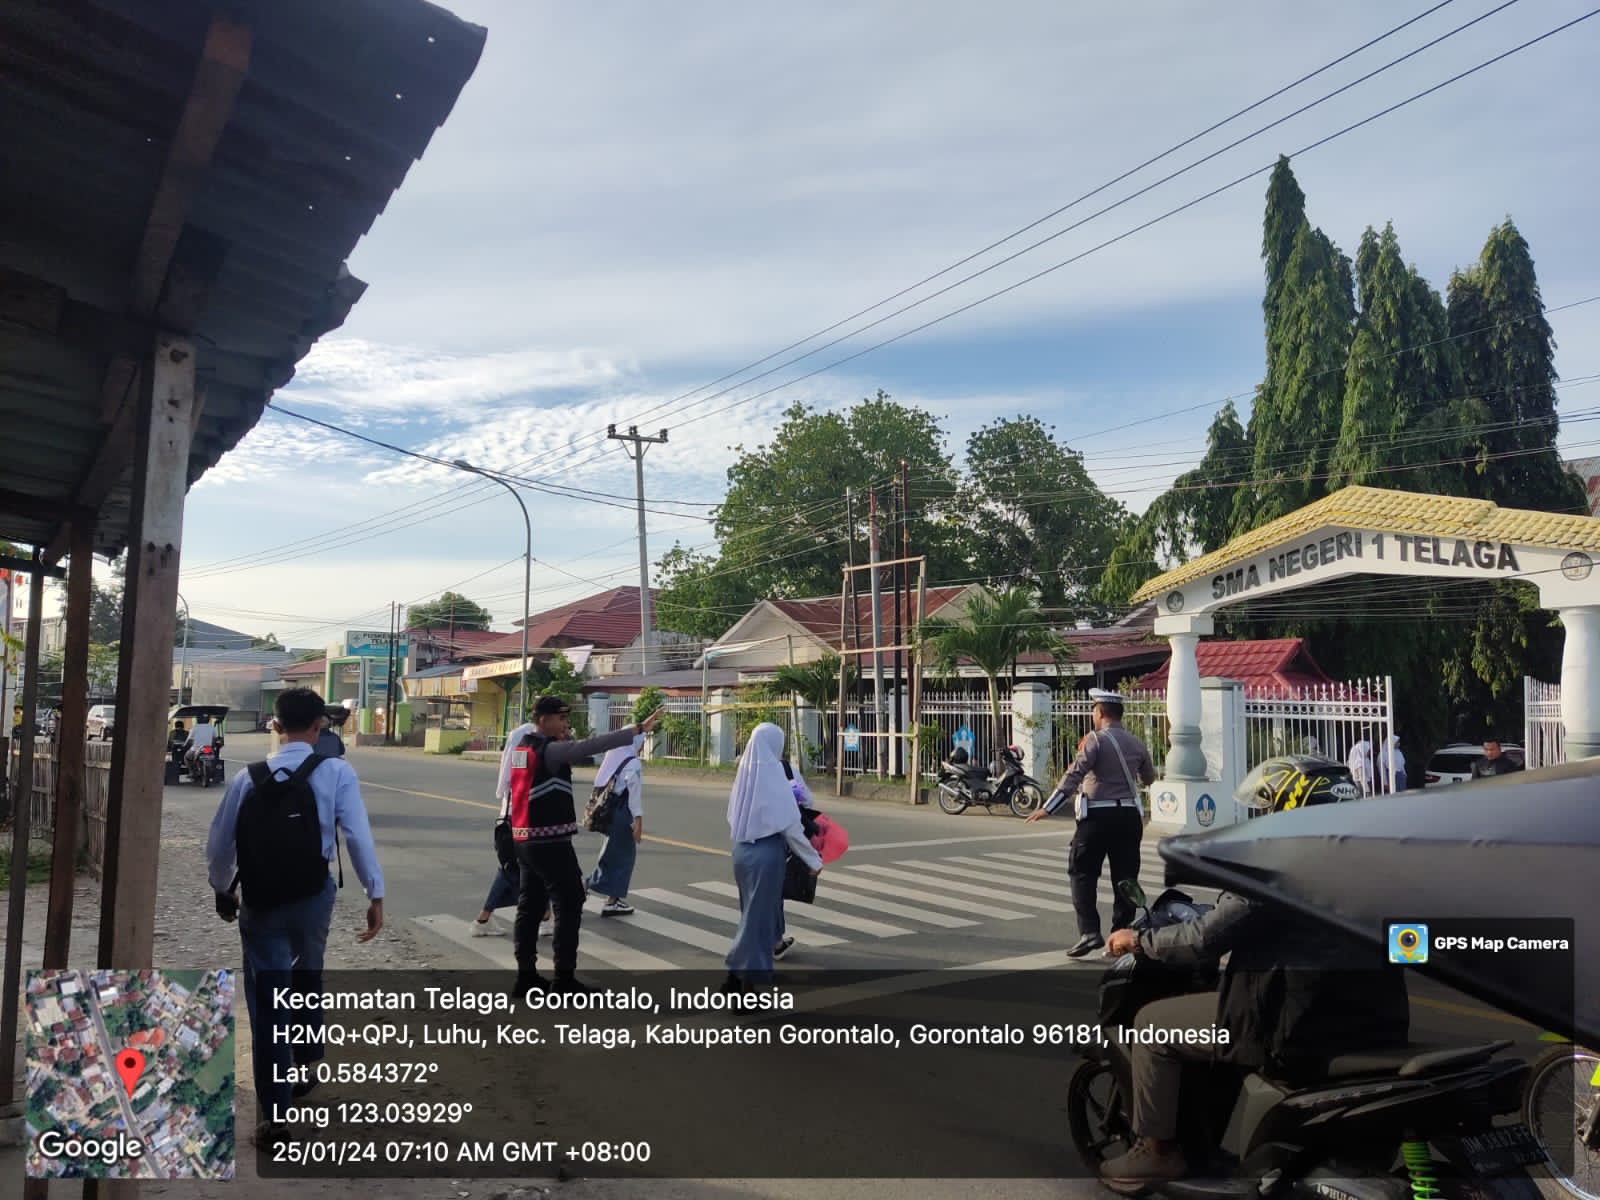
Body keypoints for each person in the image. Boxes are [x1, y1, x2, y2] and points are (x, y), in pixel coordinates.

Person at [1096, 756, 1409, 1189]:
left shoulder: (1281, 862)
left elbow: (1205, 939)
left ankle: (1157, 1151)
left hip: (1295, 1020)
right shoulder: (1372, 860)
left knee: (1152, 1026)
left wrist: (1141, 941)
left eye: (1268, 809)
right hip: (1373, 1017)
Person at [204, 687, 385, 1146]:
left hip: (261, 901)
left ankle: (275, 1118)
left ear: (276, 726)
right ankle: (305, 1056)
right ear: (319, 727)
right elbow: (358, 839)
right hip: (313, 896)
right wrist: (374, 893)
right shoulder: (338, 772)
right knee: (307, 975)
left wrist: (224, 889)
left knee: (268, 1004)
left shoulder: (248, 777)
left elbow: (219, 846)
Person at [508, 698, 663, 994]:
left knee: (530, 906)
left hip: (525, 840)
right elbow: (586, 748)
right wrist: (636, 729)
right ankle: (563, 979)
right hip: (549, 843)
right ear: (542, 719)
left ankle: (525, 976)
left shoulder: (523, 747)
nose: (566, 724)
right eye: (560, 719)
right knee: (570, 901)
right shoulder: (548, 750)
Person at [1023, 688, 1155, 957]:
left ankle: (1090, 932)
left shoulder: (1094, 740)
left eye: (1093, 709)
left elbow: (1074, 774)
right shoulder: (1136, 743)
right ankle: (1122, 934)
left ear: (1101, 712)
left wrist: (1048, 807)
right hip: (1129, 818)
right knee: (1126, 877)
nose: (1092, 714)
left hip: (1097, 818)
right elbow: (1149, 778)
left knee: (1082, 872)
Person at [723, 723, 823, 989]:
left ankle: (735, 979)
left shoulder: (745, 774)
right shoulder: (774, 776)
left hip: (741, 852)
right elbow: (791, 825)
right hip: (766, 856)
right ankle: (747, 988)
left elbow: (731, 816)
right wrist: (813, 861)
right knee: (760, 922)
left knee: (751, 916)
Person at [471, 716, 547, 939]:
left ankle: (545, 916)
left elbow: (506, 779)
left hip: (514, 811)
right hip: (523, 814)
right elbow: (520, 779)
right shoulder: (529, 740)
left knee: (523, 867)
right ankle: (483, 918)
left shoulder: (520, 735)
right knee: (517, 868)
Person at [587, 733, 645, 916]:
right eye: (641, 741)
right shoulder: (633, 763)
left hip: (610, 814)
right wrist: (638, 820)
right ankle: (590, 888)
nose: (642, 745)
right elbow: (634, 793)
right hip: (622, 814)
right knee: (623, 857)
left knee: (613, 853)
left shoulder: (614, 760)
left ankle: (611, 898)